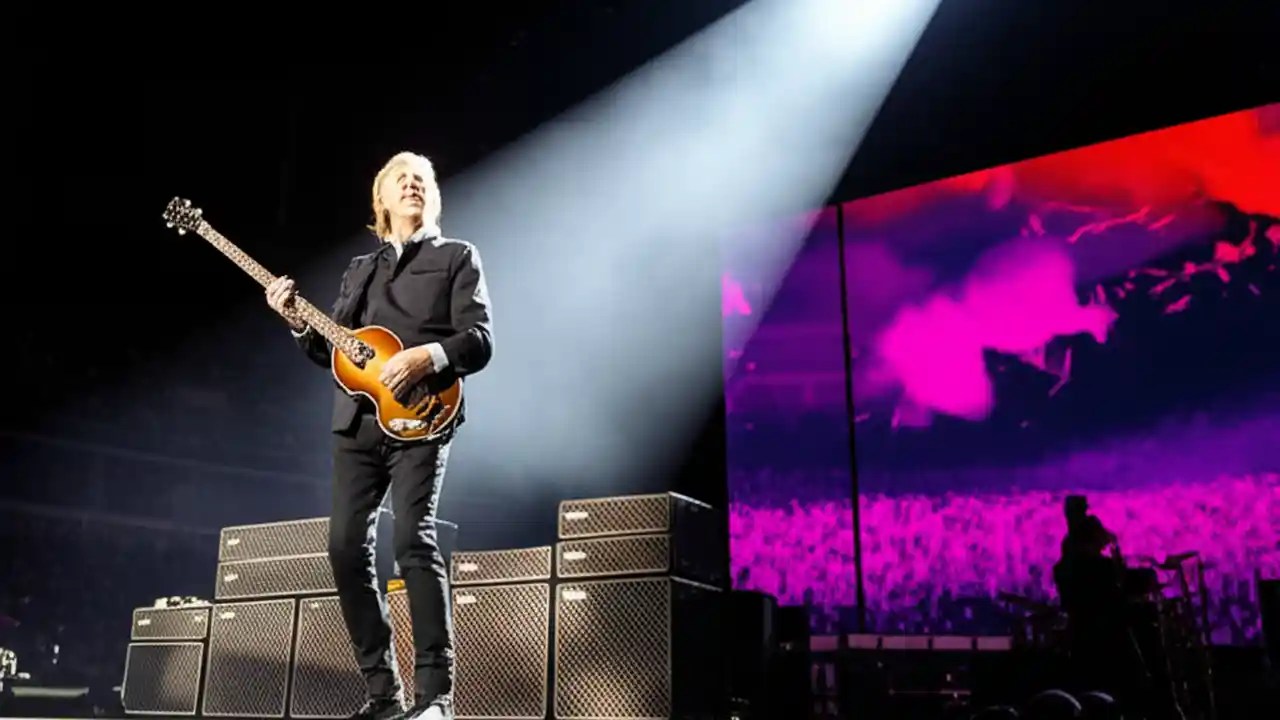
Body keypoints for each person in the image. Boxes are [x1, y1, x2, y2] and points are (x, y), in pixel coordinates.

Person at [265, 151, 493, 720]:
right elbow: (333, 352)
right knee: (344, 548)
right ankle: (382, 695)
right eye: (402, 180)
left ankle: (435, 699)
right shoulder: (358, 271)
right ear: (382, 200)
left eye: (423, 181)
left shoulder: (456, 257)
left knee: (413, 542)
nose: (414, 186)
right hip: (356, 424)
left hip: (423, 416)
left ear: (432, 198)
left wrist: (428, 356)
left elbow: (481, 340)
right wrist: (297, 323)